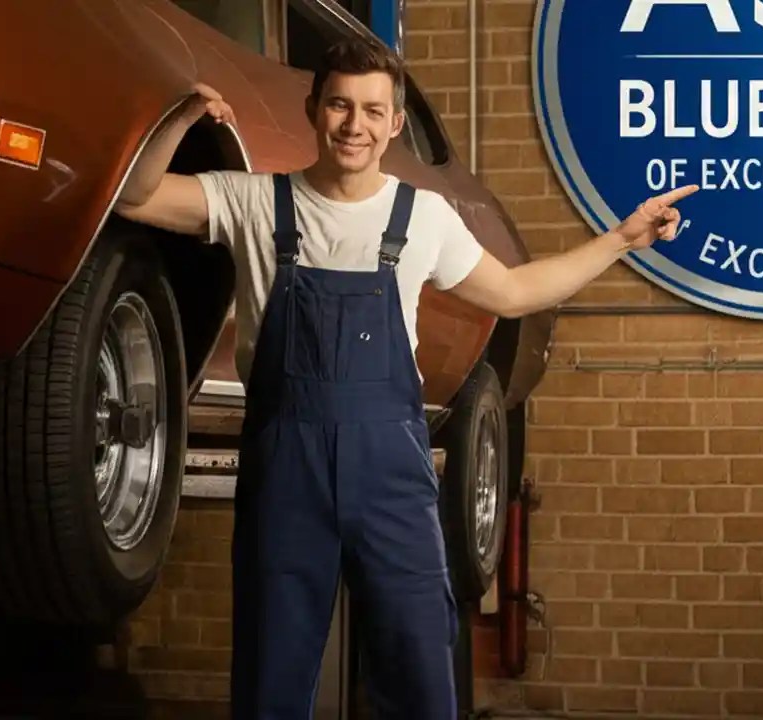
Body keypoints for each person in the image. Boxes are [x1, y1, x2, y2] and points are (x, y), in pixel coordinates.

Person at [113, 37, 695, 720]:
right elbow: (135, 197)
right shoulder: (252, 201)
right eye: (339, 105)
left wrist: (621, 240)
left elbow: (513, 291)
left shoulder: (422, 218)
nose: (354, 125)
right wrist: (178, 120)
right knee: (272, 676)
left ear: (394, 124)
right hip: (285, 468)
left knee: (420, 669)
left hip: (391, 472)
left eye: (371, 110)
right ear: (314, 110)